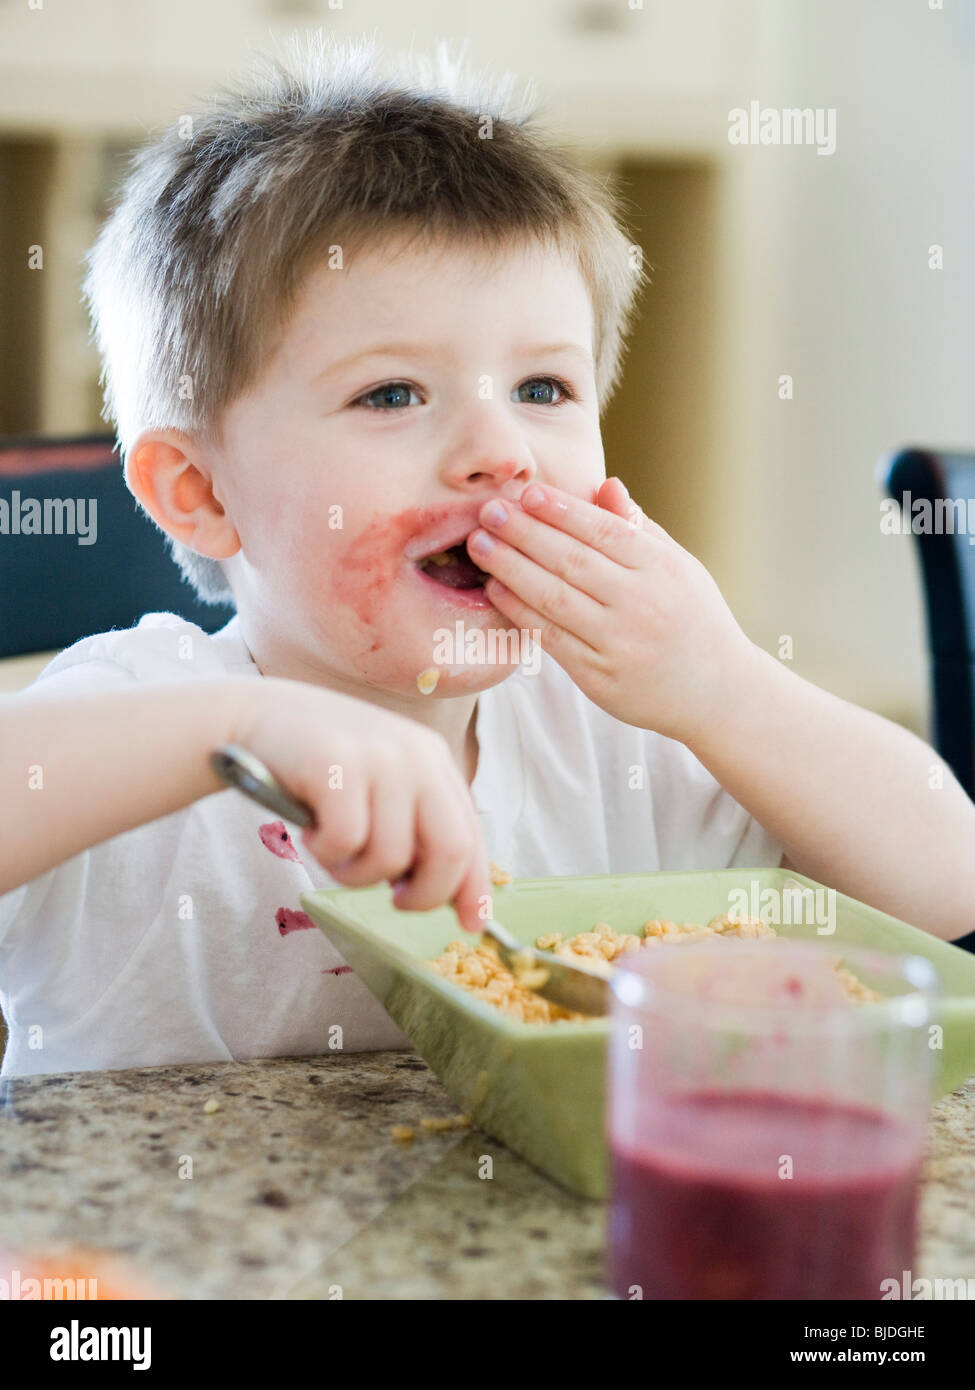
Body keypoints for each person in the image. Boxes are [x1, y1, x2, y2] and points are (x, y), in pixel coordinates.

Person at [2, 33, 972, 1079]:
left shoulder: (613, 730)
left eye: (543, 390)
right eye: (393, 394)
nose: (500, 452)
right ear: (199, 492)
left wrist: (726, 687)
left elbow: (946, 880)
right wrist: (244, 728)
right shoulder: (148, 710)